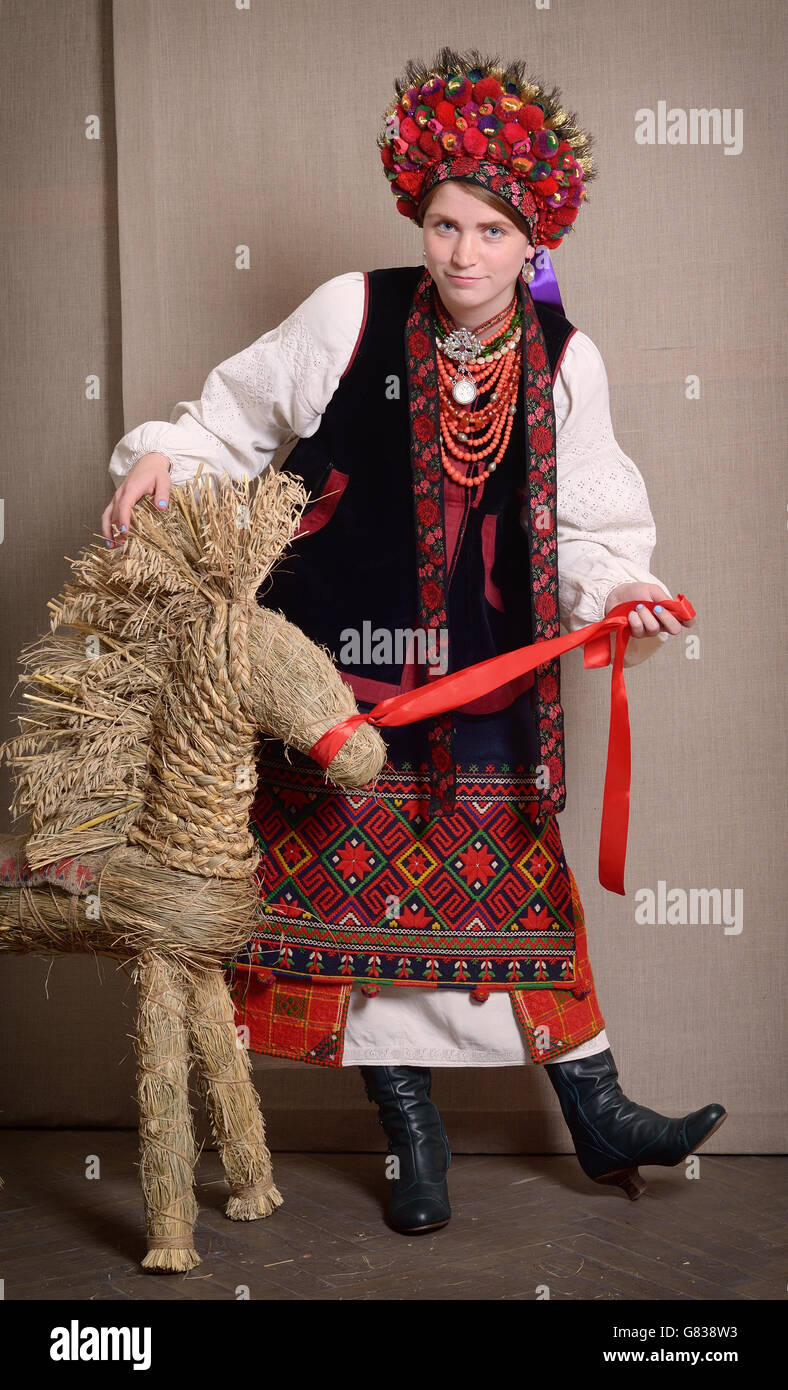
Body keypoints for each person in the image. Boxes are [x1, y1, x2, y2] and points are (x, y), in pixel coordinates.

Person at [104, 47, 725, 1236]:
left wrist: (626, 591)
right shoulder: (350, 310)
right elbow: (231, 420)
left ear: (529, 242)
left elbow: (592, 519)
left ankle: (593, 1111)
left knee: (502, 884)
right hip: (338, 675)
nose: (461, 255)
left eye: (490, 231)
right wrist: (164, 457)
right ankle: (415, 1147)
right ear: (419, 219)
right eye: (444, 224)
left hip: (487, 683)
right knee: (356, 916)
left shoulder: (564, 359)